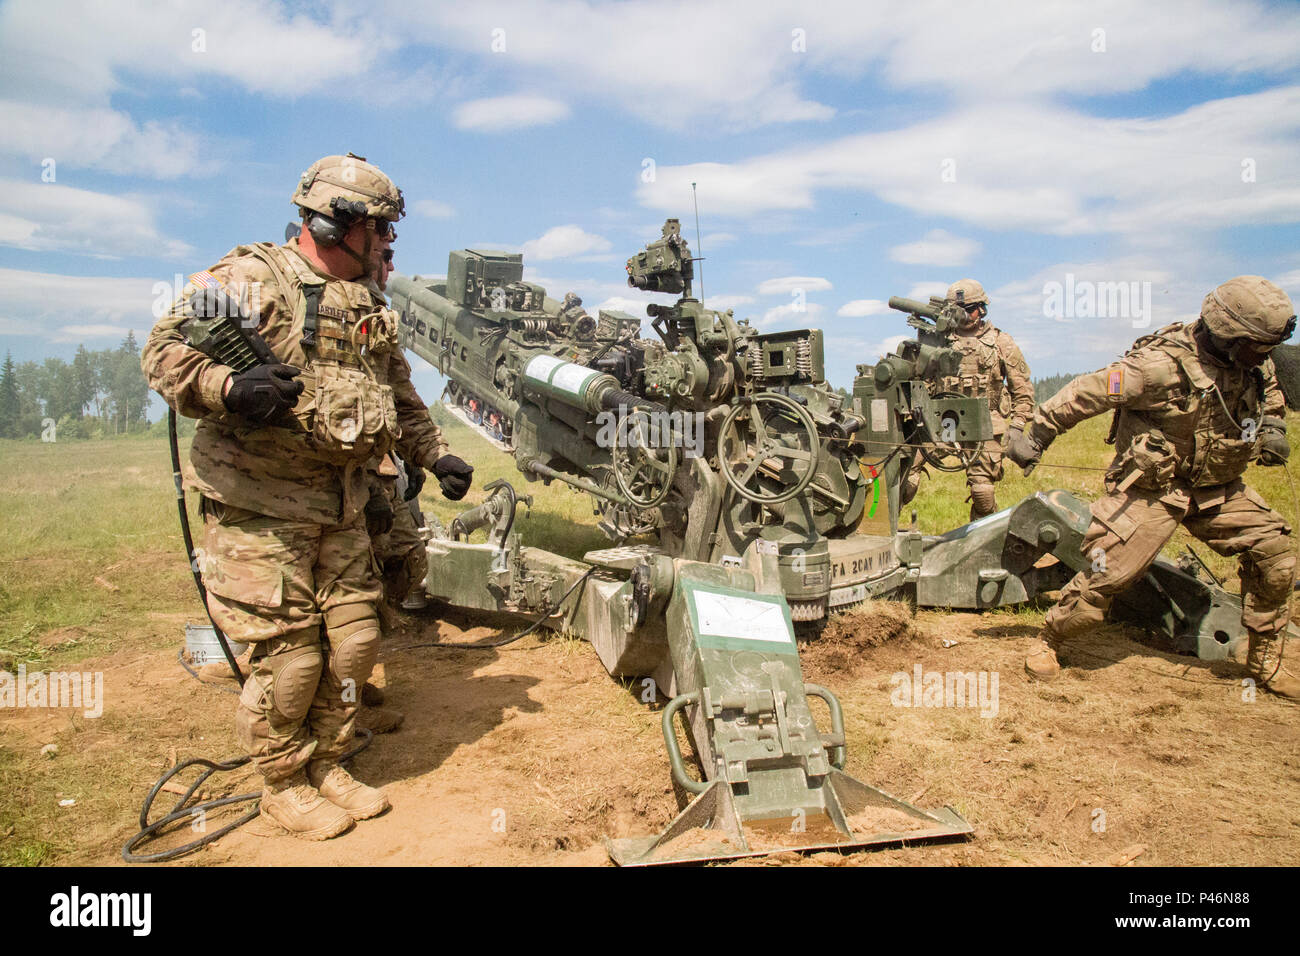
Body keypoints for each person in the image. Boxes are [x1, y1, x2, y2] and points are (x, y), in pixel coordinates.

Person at [143, 153, 474, 839]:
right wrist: (230, 388)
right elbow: (163, 351)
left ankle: (327, 762)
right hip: (261, 513)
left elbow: (399, 397)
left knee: (353, 646)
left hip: (343, 505)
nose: (388, 243)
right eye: (380, 228)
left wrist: (435, 454)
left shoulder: (367, 303)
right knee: (291, 663)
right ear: (335, 221)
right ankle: (282, 782)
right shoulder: (249, 278)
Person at [1008, 276, 1298, 699]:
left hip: (1219, 489)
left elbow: (1269, 390)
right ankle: (1049, 640)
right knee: (1106, 578)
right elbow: (1087, 392)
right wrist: (1036, 434)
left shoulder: (1254, 361)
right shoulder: (1154, 368)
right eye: (1259, 345)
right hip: (1154, 491)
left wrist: (1271, 426)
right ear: (1229, 334)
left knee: (1277, 559)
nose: (1266, 355)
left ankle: (1264, 662)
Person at [899, 279, 1035, 520]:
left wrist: (1017, 426)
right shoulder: (937, 341)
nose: (964, 316)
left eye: (969, 309)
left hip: (985, 425)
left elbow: (1022, 390)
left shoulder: (1001, 342)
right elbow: (914, 379)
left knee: (983, 493)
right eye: (957, 310)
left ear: (982, 309)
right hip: (943, 422)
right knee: (905, 475)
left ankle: (981, 544)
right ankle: (882, 532)